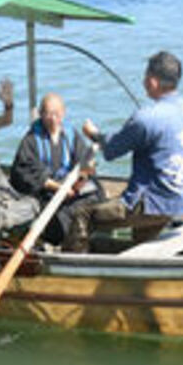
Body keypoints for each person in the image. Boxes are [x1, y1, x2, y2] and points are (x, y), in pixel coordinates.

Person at [82, 51, 183, 232]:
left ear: (152, 81)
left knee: (83, 215)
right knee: (141, 233)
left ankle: (75, 252)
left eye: (145, 75)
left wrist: (94, 134)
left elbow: (111, 150)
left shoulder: (145, 117)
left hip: (155, 202)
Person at [11, 93, 124, 251]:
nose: (52, 119)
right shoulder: (31, 140)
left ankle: (94, 235)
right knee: (61, 216)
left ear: (63, 113)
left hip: (72, 187)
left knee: (97, 194)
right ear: (41, 114)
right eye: (48, 114)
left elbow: (84, 163)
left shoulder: (71, 135)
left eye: (56, 114)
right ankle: (69, 242)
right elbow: (24, 172)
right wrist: (58, 188)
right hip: (48, 192)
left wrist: (81, 178)